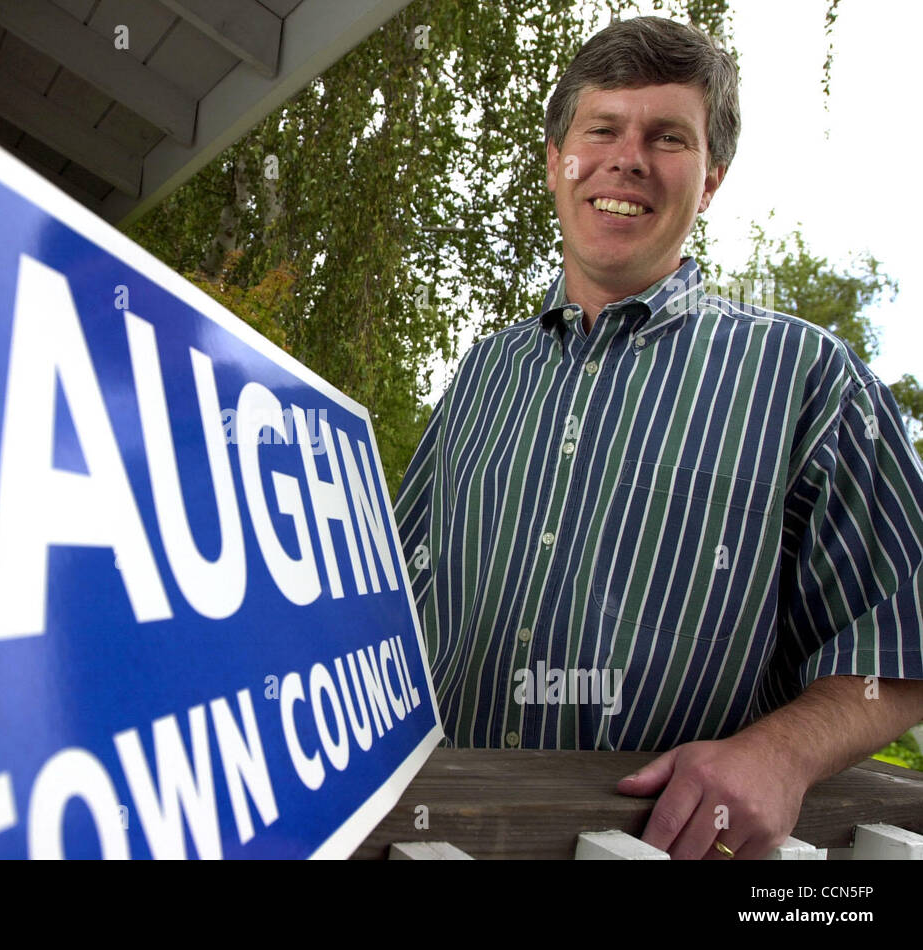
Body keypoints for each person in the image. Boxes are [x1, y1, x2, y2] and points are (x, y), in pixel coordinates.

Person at [394, 15, 923, 860]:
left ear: (710, 181)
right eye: (601, 128)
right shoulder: (482, 376)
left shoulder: (803, 374)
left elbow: (901, 635)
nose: (627, 157)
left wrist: (778, 756)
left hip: (661, 849)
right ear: (554, 162)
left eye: (667, 137)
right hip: (439, 839)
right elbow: (387, 602)